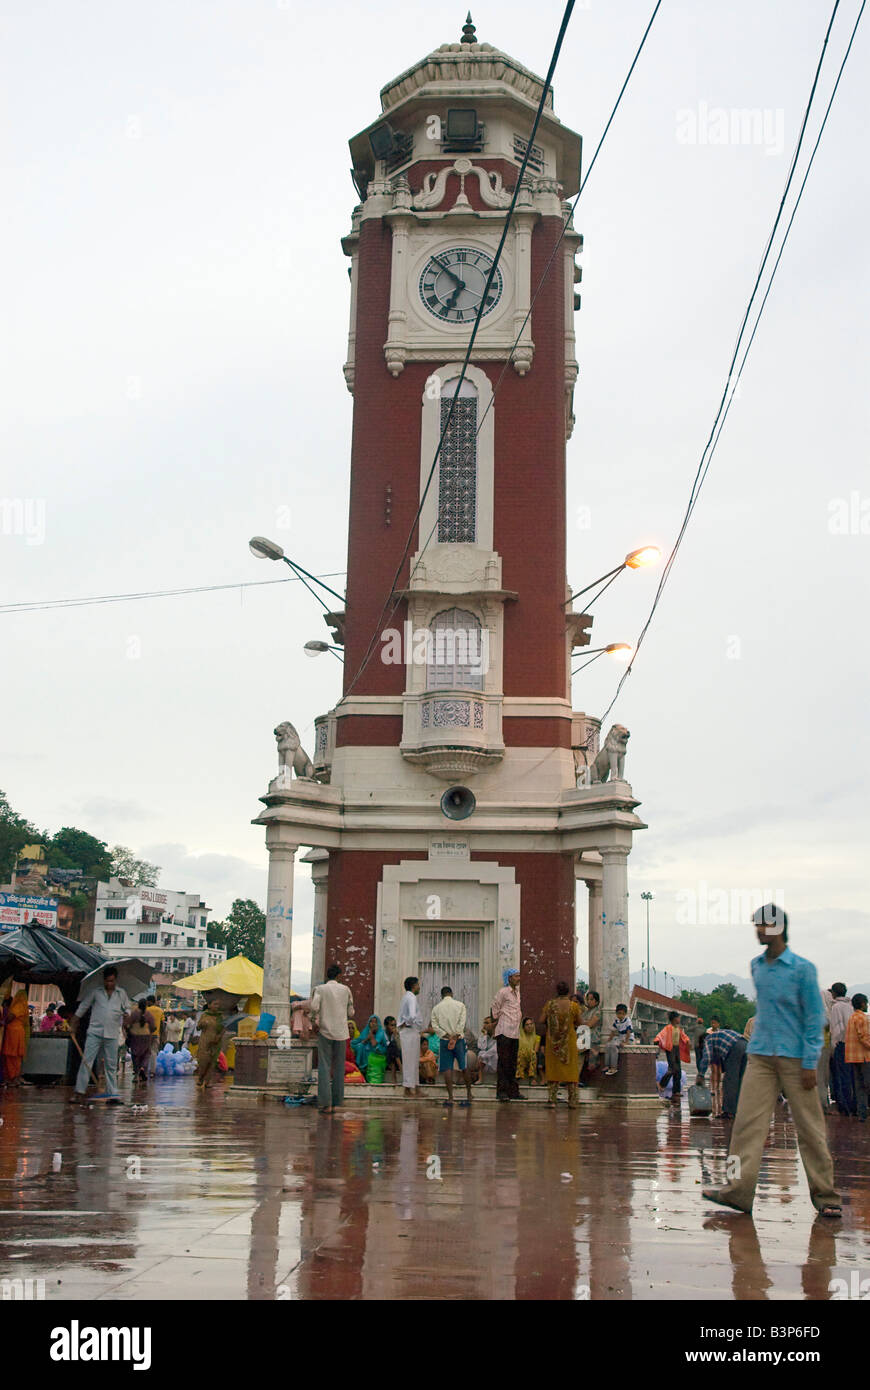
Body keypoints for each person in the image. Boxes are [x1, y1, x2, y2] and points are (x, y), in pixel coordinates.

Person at [703, 905, 841, 1217]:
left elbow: (815, 1018)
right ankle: (737, 1192)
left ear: (779, 928)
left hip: (795, 1058)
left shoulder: (802, 969)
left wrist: (809, 1062)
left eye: (763, 925)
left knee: (810, 1129)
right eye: (756, 926)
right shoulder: (757, 966)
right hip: (761, 1056)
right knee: (746, 1126)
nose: (758, 931)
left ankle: (826, 1197)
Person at [70, 966, 130, 1102]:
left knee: (111, 1064)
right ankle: (79, 1092)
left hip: (112, 1033)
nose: (110, 984)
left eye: (112, 981)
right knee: (87, 1061)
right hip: (94, 1032)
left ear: (116, 980)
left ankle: (112, 1094)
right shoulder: (96, 992)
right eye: (108, 981)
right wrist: (74, 1022)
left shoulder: (121, 994)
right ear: (104, 981)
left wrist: (127, 1014)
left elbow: (127, 1007)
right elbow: (83, 1007)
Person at [310, 963, 355, 1114]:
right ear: (339, 976)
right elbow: (351, 1012)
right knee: (339, 1067)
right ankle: (337, 1103)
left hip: (325, 1031)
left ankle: (326, 1104)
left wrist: (313, 1021)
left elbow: (314, 1008)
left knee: (324, 1066)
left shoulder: (319, 989)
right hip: (342, 1032)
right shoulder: (346, 990)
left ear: (327, 976)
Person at [539, 982, 582, 1108]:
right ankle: (572, 1101)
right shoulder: (573, 1006)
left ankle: (552, 1101)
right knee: (571, 1070)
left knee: (553, 1069)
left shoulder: (550, 1004)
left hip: (553, 1042)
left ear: (557, 991)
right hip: (569, 1041)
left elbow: (541, 1020)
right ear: (568, 991)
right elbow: (579, 1022)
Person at [429, 985, 473, 1106]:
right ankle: (469, 1094)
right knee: (463, 1066)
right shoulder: (460, 1005)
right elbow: (462, 1023)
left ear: (441, 995)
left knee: (447, 1069)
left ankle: (450, 1098)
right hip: (458, 1040)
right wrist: (455, 1037)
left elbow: (435, 1026)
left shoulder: (436, 1008)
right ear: (451, 994)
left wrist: (448, 1037)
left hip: (444, 1041)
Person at [697, 1026, 748, 1118]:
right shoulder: (718, 1036)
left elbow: (707, 1057)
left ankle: (729, 1112)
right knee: (741, 1081)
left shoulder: (708, 1039)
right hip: (746, 1044)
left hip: (735, 1048)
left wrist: (701, 1074)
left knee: (730, 1081)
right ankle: (740, 1110)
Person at [491, 969, 523, 1102]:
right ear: (509, 978)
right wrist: (495, 1021)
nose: (518, 978)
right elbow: (495, 1008)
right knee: (503, 1063)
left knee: (512, 1063)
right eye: (516, 976)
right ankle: (502, 1092)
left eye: (519, 976)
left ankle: (513, 1091)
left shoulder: (517, 992)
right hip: (504, 1031)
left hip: (514, 1033)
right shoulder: (503, 992)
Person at [829, 983, 855, 1117]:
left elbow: (836, 1028)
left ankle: (844, 1107)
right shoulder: (850, 1006)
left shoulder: (836, 1007)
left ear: (833, 993)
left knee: (841, 1076)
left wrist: (833, 1047)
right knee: (851, 1076)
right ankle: (853, 1105)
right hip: (852, 1044)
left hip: (841, 1044)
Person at [654, 1012, 690, 1105]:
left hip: (677, 1049)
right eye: (678, 1018)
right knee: (672, 1068)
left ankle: (676, 1091)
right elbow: (660, 1036)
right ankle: (662, 1084)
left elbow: (683, 1037)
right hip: (670, 1049)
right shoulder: (668, 1028)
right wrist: (657, 1041)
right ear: (674, 1019)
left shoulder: (678, 1029)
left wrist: (687, 1041)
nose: (679, 1019)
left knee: (678, 1070)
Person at [845, 994, 870, 1122]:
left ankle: (862, 1113)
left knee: (859, 1086)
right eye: (866, 1003)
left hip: (853, 1057)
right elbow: (864, 1037)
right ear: (862, 1004)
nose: (867, 1005)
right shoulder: (862, 1018)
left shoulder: (852, 1017)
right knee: (868, 1084)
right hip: (864, 1057)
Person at [398, 976, 423, 1098]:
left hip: (410, 1032)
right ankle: (409, 1089)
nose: (419, 987)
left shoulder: (406, 997)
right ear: (413, 986)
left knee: (412, 1060)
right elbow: (412, 1016)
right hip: (409, 1031)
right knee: (410, 1061)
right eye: (418, 985)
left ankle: (415, 1088)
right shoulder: (411, 998)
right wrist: (406, 1023)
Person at [194, 1000, 226, 1090]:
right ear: (209, 1005)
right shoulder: (204, 1015)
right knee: (203, 1061)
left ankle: (208, 1081)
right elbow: (198, 1027)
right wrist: (202, 1024)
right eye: (215, 1004)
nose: (217, 1006)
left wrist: (219, 1036)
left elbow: (224, 1028)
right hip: (205, 1041)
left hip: (216, 1042)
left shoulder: (220, 1017)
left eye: (218, 1004)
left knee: (212, 1062)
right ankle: (200, 1078)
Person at [1, 990, 29, 1087]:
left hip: (14, 1033)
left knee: (11, 1055)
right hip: (16, 1032)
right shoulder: (21, 1006)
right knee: (14, 1057)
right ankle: (13, 1077)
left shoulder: (18, 1006)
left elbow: (10, 1018)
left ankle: (12, 1078)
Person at [126, 1001, 155, 1083]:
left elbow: (127, 1024)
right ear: (146, 1006)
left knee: (135, 1055)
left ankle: (136, 1074)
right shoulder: (149, 1014)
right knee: (146, 1054)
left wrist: (129, 1032)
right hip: (146, 1036)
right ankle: (143, 1068)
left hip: (135, 1036)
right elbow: (153, 1026)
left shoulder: (134, 1014)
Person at [603, 1004, 635, 1074]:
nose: (621, 1015)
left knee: (614, 1047)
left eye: (622, 1014)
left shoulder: (627, 1020)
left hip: (628, 1039)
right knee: (608, 1045)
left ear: (625, 1014)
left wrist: (626, 1042)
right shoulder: (616, 1021)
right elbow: (613, 1031)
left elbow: (628, 1032)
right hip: (620, 1039)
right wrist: (608, 1040)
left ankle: (614, 1067)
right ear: (616, 1013)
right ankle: (607, 1065)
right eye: (619, 1013)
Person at [579, 990, 601, 1084]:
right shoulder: (586, 1012)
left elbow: (589, 1024)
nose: (589, 1001)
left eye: (591, 999)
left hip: (593, 1038)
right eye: (587, 999)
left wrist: (583, 1024)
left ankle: (582, 1080)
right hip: (583, 1037)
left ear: (596, 1001)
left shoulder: (598, 1012)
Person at [144, 996, 165, 1079]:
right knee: (153, 1053)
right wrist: (162, 1035)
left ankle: (145, 1071)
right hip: (156, 1035)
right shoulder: (160, 1010)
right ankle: (152, 1072)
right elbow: (163, 1024)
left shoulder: (146, 1010)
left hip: (146, 1034)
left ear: (149, 1001)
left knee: (145, 1053)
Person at [517, 1016, 541, 1086]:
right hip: (521, 1058)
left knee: (533, 1054)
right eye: (527, 1025)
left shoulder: (537, 1037)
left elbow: (535, 1050)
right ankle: (518, 1076)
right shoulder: (519, 1037)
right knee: (520, 1053)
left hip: (531, 1058)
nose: (530, 1026)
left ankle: (532, 1078)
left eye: (531, 1024)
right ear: (523, 1027)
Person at [474, 1016, 498, 1083]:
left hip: (494, 1058)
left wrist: (484, 1056)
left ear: (493, 1024)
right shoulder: (483, 1036)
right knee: (481, 1053)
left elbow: (494, 1050)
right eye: (484, 1023)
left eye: (487, 1023)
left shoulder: (498, 1035)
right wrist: (484, 1035)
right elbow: (481, 1047)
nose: (484, 1025)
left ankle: (497, 1079)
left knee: (496, 1055)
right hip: (486, 1060)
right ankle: (480, 1078)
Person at [383, 1016, 402, 1084]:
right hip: (386, 1057)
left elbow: (400, 1048)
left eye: (395, 1025)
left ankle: (394, 1078)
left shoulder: (396, 1034)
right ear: (386, 1026)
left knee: (393, 1046)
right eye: (391, 1025)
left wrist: (396, 1037)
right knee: (392, 1046)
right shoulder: (382, 1034)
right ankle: (401, 1068)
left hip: (395, 1058)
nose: (393, 1027)